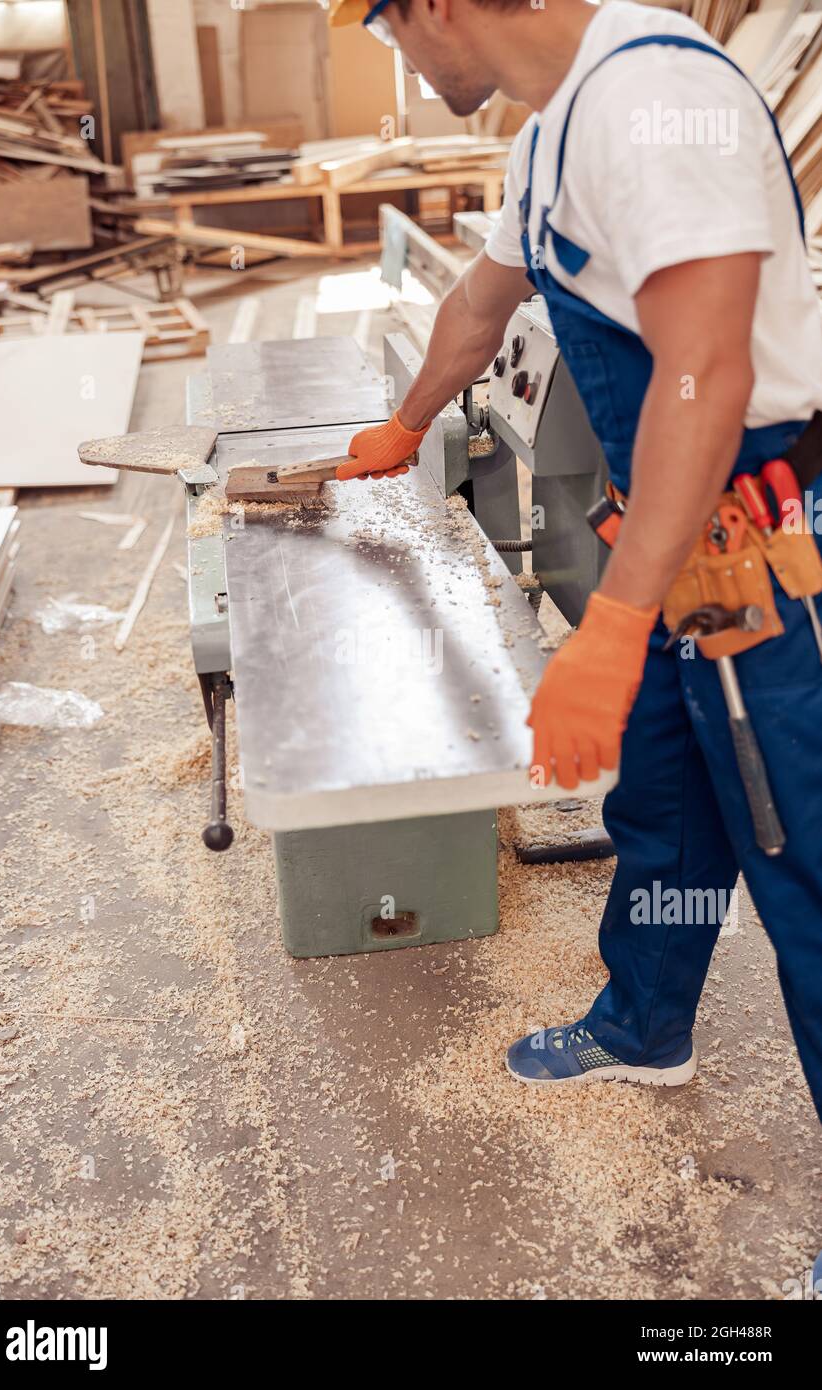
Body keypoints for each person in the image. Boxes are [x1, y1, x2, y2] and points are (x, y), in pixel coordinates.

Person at [328, 0, 822, 1265]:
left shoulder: (657, 104)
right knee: (662, 805)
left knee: (798, 855)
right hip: (658, 529)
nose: (396, 55)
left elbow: (702, 379)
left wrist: (605, 628)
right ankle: (647, 1023)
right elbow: (481, 309)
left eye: (386, 28)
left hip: (744, 544)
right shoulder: (549, 132)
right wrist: (403, 421)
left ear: (438, 6)